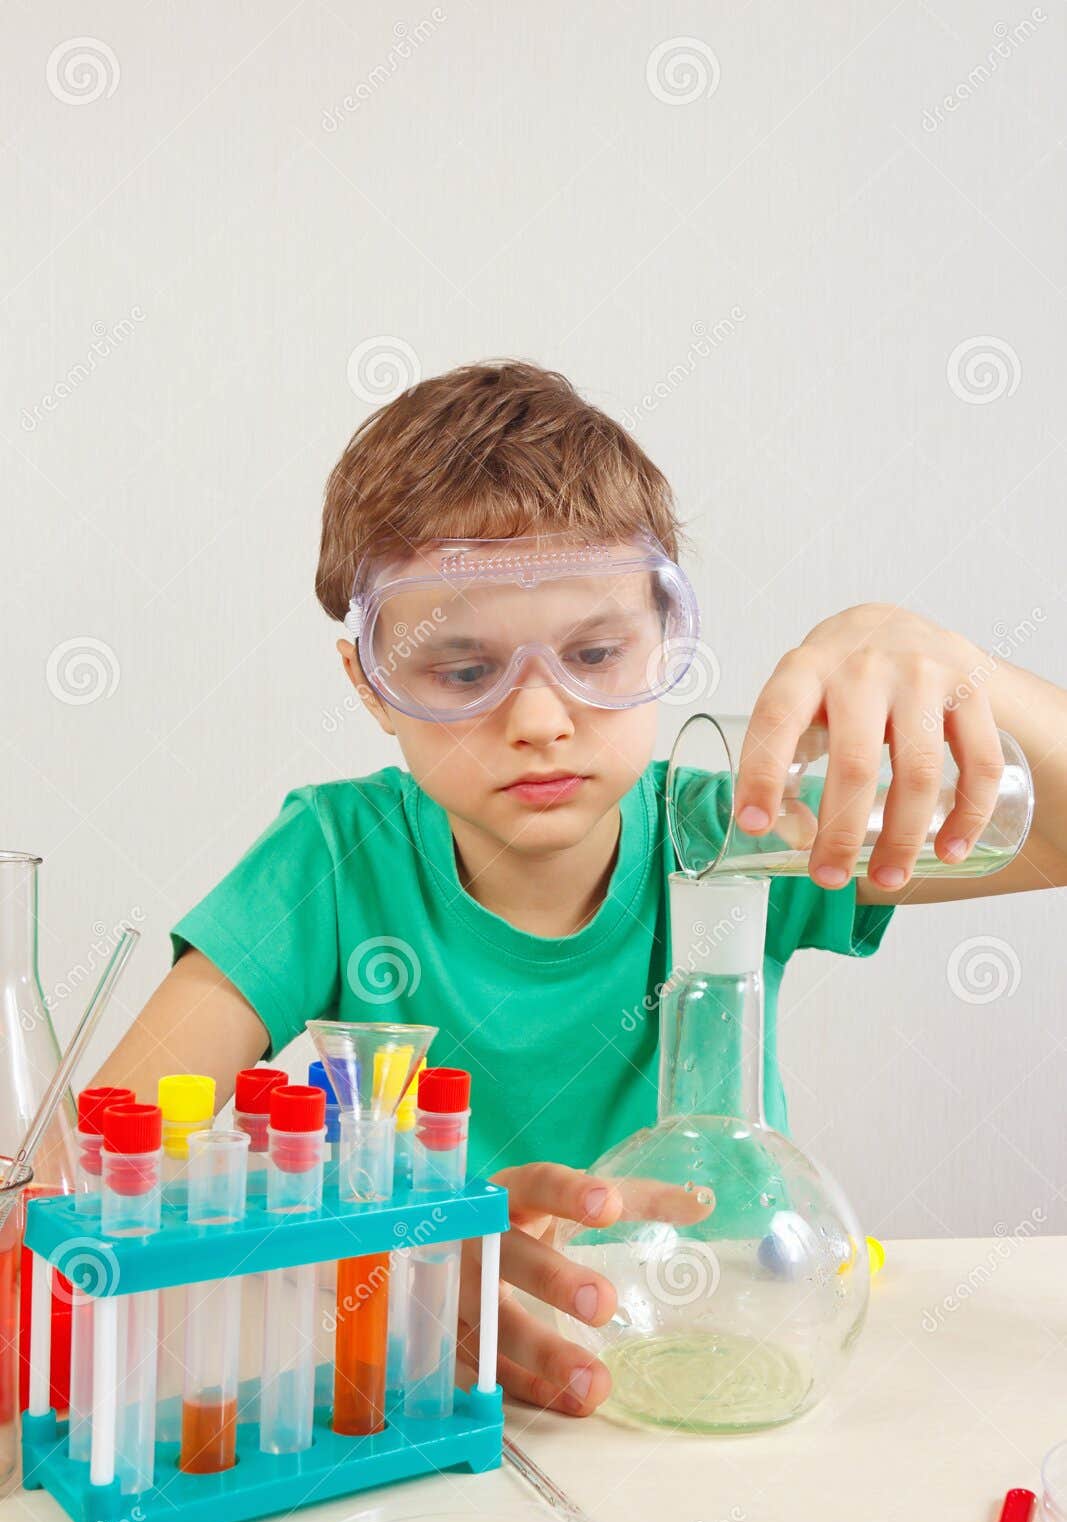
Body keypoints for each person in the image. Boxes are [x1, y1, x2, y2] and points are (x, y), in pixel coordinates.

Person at [92, 360, 1067, 1417]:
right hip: (414, 1388)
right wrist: (402, 1244)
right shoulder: (331, 857)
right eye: (463, 671)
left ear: (663, 639)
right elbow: (93, 1170)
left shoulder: (732, 833)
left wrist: (958, 663)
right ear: (370, 682)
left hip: (707, 1354)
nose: (540, 718)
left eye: (596, 652)